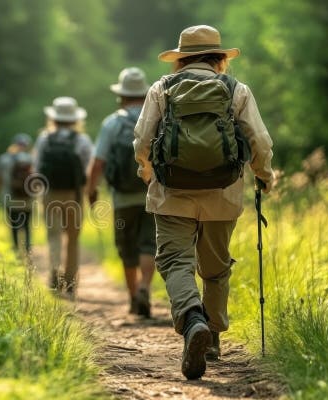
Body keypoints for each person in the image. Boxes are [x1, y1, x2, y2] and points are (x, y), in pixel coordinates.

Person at [133, 25, 274, 379]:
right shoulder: (236, 89)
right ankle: (210, 337)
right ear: (220, 58)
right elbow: (259, 139)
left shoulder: (161, 88)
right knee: (215, 267)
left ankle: (192, 319)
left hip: (171, 193)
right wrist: (264, 175)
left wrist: (147, 170)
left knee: (174, 261)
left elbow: (142, 139)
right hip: (222, 192)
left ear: (181, 59)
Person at [87, 67, 155, 318]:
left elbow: (98, 163)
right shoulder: (154, 119)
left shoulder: (112, 123)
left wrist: (91, 190)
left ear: (121, 96)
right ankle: (146, 287)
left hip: (122, 198)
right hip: (152, 194)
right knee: (150, 244)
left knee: (127, 248)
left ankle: (133, 297)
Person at [34, 97, 93, 299]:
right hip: (74, 194)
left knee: (54, 236)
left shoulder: (44, 138)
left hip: (50, 193)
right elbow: (89, 167)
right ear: (74, 119)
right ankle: (70, 282)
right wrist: (88, 191)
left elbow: (37, 167)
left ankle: (53, 272)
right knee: (73, 239)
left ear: (54, 118)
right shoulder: (81, 140)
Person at [0, 133, 34, 254]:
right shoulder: (32, 159)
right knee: (27, 225)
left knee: (14, 225)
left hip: (10, 198)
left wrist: (1, 193)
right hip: (28, 199)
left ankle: (16, 250)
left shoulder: (4, 159)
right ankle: (27, 250)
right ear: (27, 146)